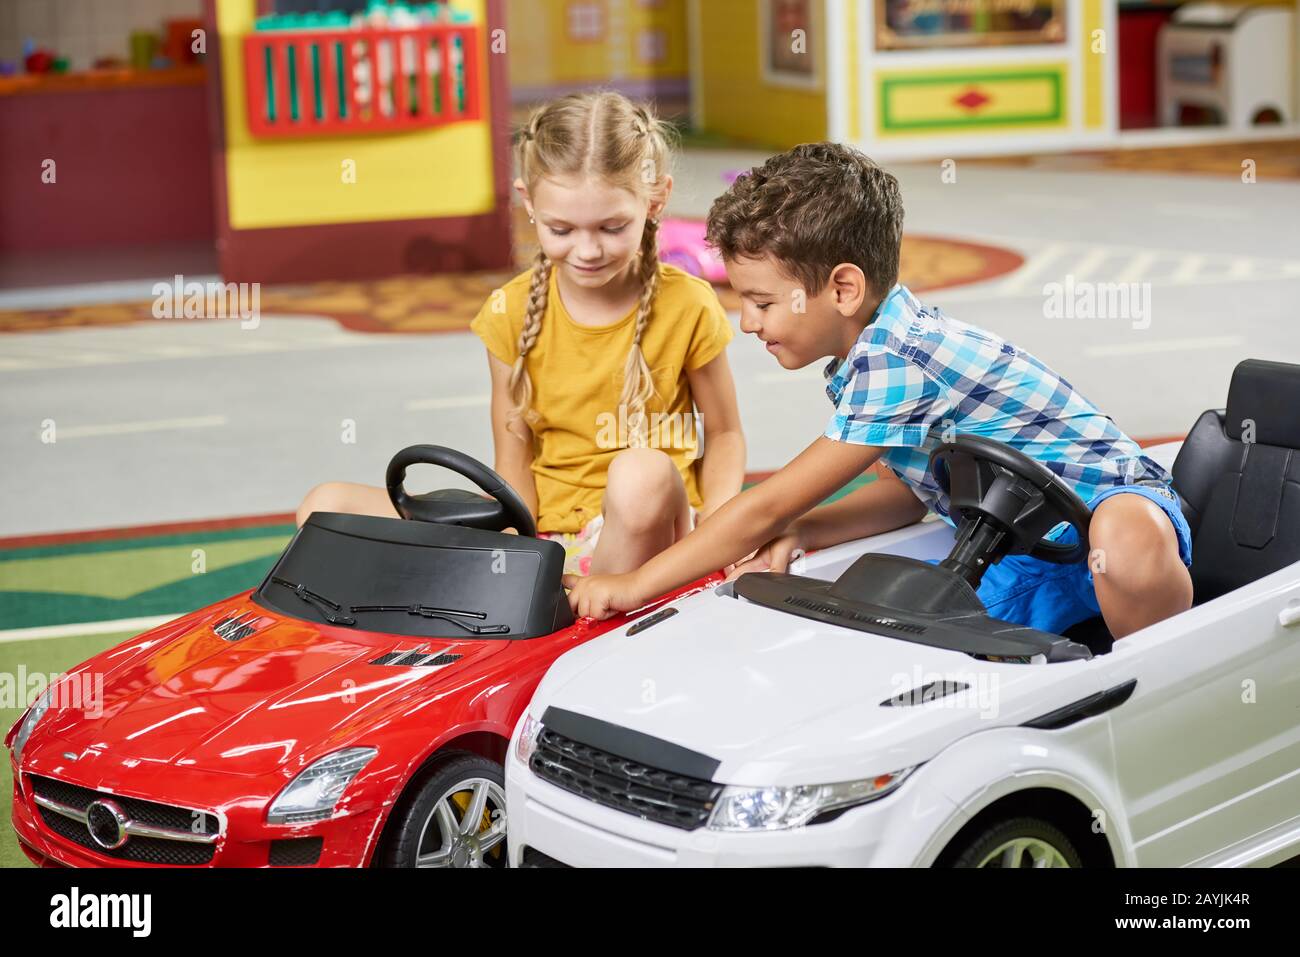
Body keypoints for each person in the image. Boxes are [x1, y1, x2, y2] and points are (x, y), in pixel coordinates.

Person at [566, 142, 1193, 639]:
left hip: (1120, 517)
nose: (748, 322)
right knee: (907, 632)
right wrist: (808, 532)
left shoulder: (896, 361)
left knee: (1123, 532)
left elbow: (763, 506)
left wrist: (632, 585)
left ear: (842, 290)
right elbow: (901, 498)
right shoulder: (864, 358)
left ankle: (1161, 676)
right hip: (1027, 550)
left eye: (760, 302)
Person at [297, 92, 746, 578]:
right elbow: (513, 456)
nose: (588, 250)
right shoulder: (508, 312)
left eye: (612, 227)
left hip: (652, 532)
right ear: (529, 203)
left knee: (642, 474)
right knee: (326, 506)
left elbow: (724, 434)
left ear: (655, 201)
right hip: (545, 538)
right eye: (562, 228)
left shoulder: (689, 304)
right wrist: (515, 551)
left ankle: (596, 596)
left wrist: (716, 531)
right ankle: (554, 592)